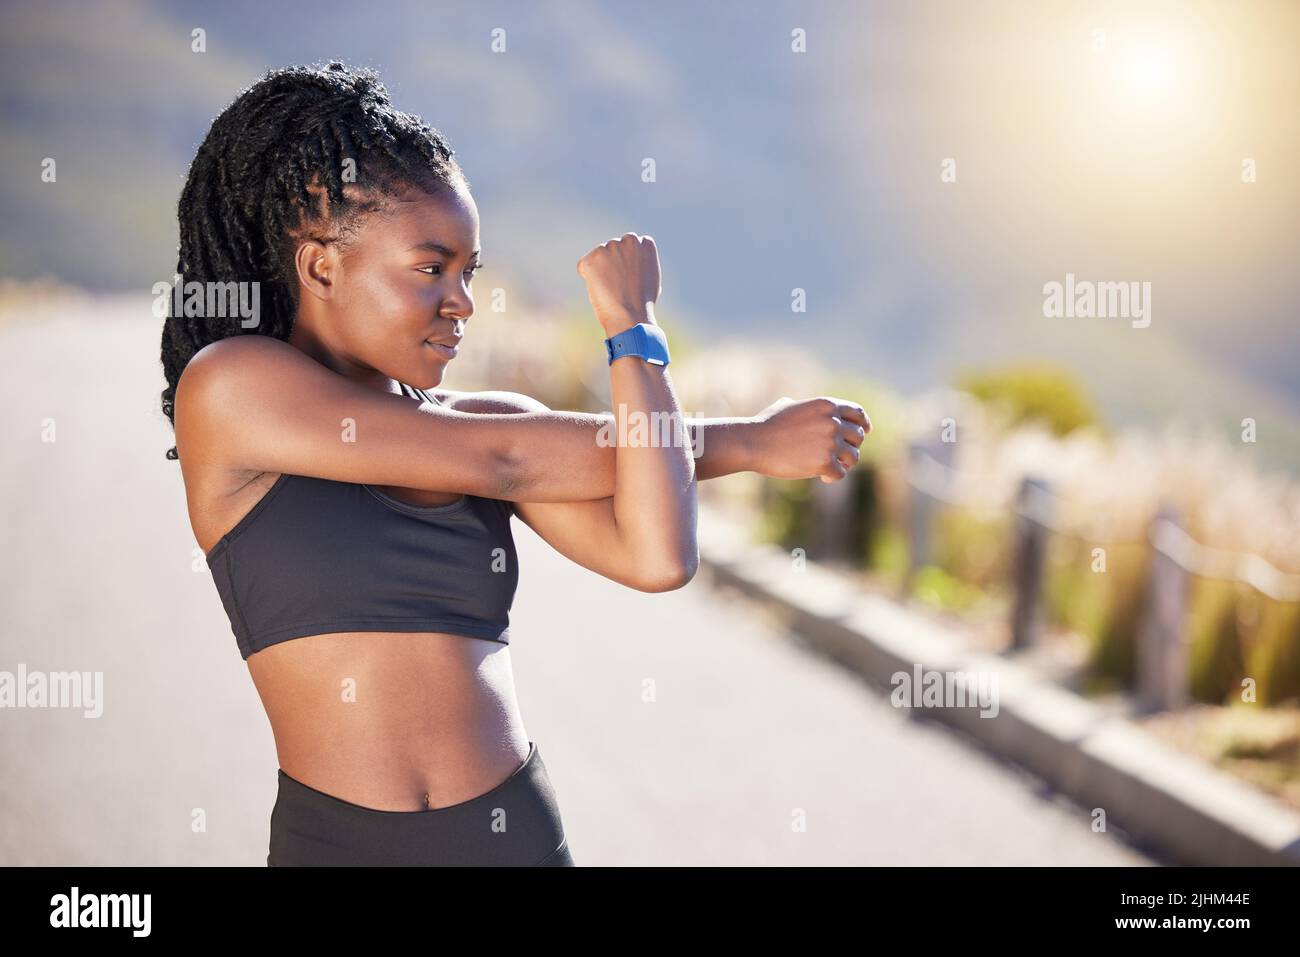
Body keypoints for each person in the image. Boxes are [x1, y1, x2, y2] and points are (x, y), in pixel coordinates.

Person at [159, 61, 869, 866]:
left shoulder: (498, 427)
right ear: (322, 265)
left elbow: (658, 554)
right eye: (432, 268)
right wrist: (752, 442)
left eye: (470, 274)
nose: (461, 302)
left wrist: (633, 331)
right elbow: (506, 462)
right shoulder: (228, 386)